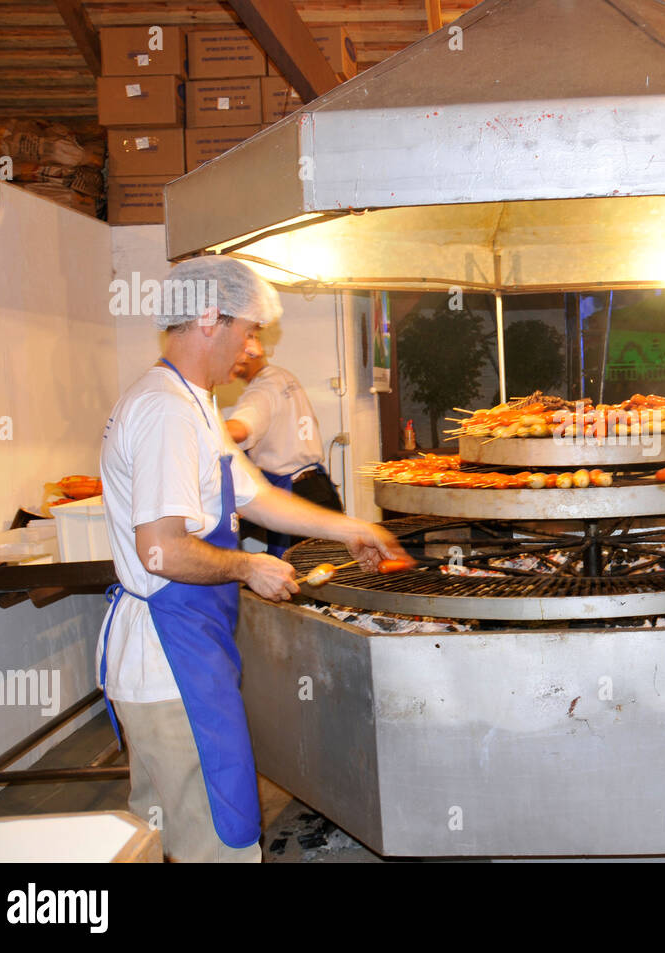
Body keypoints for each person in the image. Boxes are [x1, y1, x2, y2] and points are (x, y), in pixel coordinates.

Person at [96, 256, 411, 863]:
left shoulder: (194, 405)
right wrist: (247, 567)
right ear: (210, 318)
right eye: (250, 329)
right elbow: (159, 548)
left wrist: (353, 529)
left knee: (175, 832)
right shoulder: (164, 410)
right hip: (168, 661)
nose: (253, 346)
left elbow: (257, 495)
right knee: (213, 836)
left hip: (189, 649)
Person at [226, 352, 341, 557]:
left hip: (295, 495)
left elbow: (239, 430)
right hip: (320, 488)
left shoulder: (260, 391)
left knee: (297, 576)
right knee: (327, 569)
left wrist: (198, 425)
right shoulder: (283, 377)